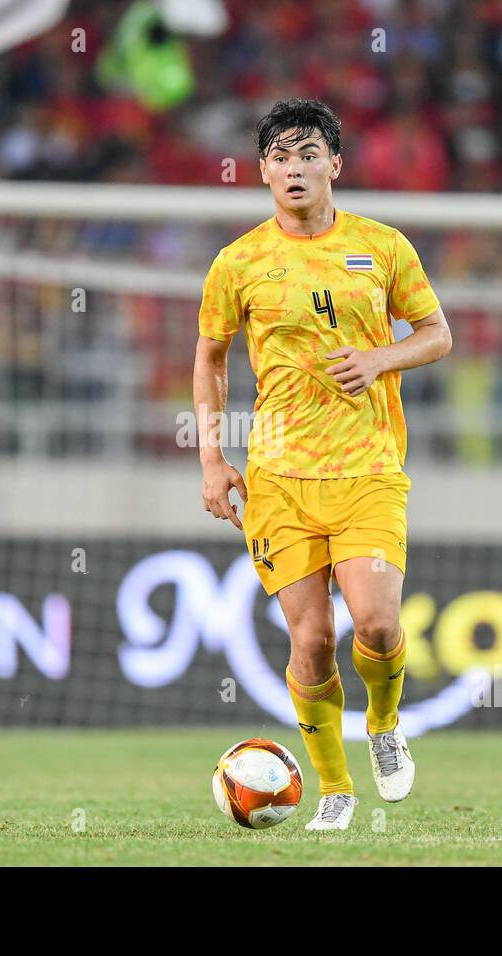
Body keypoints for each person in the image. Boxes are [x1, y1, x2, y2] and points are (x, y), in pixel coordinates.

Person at [191, 98, 452, 831]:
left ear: (335, 164)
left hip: (367, 467)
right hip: (277, 479)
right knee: (310, 640)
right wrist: (212, 459)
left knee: (374, 624)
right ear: (263, 171)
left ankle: (384, 725)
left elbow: (436, 335)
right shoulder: (237, 262)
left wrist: (379, 359)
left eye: (309, 154)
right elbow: (209, 361)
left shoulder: (384, 245)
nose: (294, 168)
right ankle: (335, 790)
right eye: (280, 156)